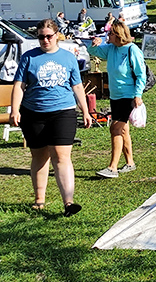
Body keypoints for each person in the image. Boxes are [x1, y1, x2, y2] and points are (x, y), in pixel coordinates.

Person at [10, 18, 92, 214]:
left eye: (49, 36)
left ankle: (68, 202)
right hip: (33, 113)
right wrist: (15, 109)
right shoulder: (29, 57)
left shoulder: (68, 57)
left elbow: (77, 86)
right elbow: (19, 86)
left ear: (57, 36)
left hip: (63, 111)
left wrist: (85, 110)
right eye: (41, 37)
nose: (45, 40)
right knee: (39, 156)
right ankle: (39, 199)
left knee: (62, 156)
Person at [89, 18, 146, 178]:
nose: (109, 36)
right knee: (123, 130)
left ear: (119, 35)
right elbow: (93, 51)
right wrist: (95, 42)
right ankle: (130, 163)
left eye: (111, 33)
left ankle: (112, 167)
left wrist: (138, 94)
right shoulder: (111, 49)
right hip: (115, 96)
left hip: (129, 96)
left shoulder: (132, 50)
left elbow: (141, 74)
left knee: (115, 129)